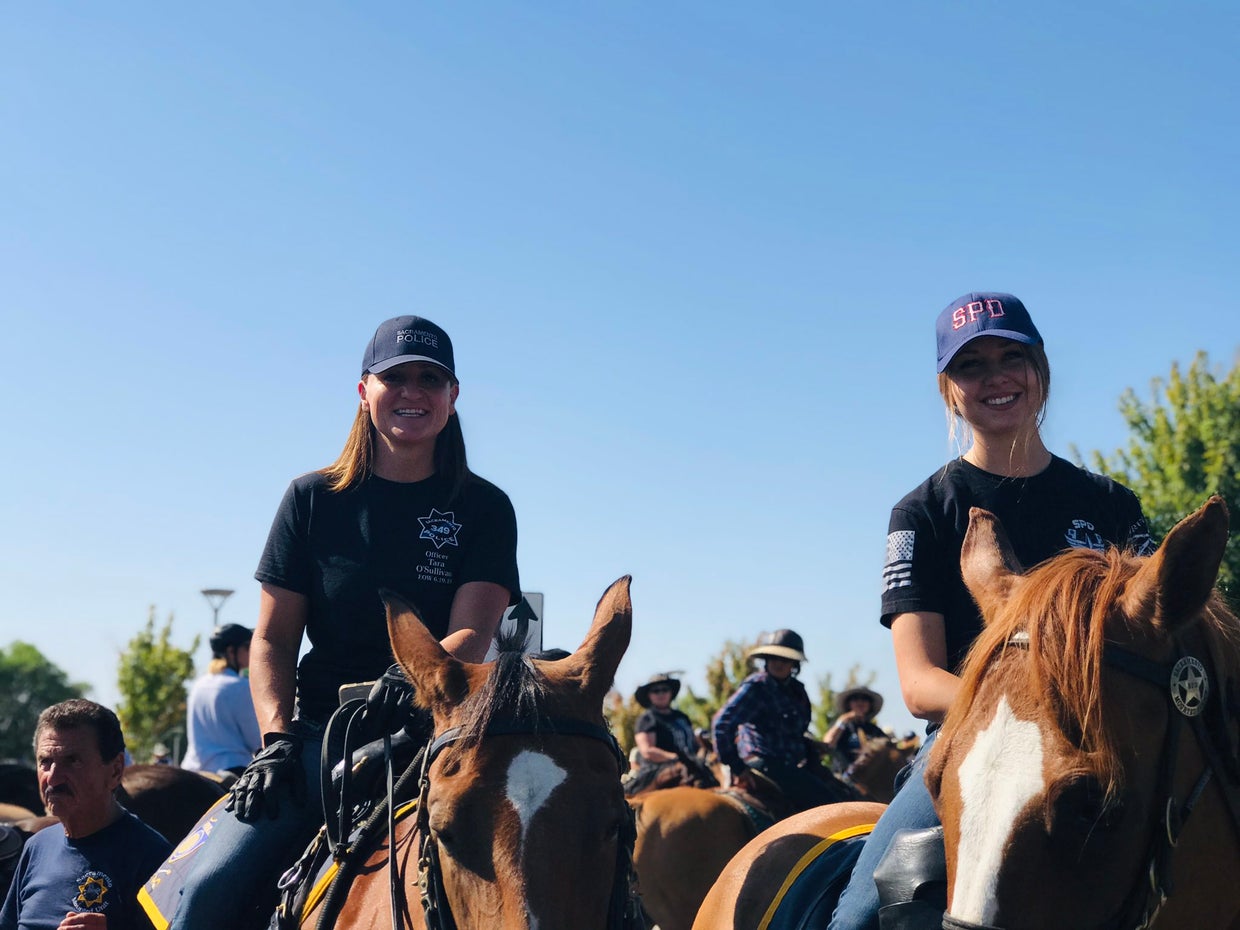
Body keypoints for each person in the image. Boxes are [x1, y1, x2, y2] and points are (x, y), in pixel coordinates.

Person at [166, 315, 521, 930]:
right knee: (202, 897)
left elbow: (472, 634)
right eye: (395, 377)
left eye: (430, 379)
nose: (413, 391)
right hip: (320, 740)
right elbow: (274, 641)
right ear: (364, 391)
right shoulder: (310, 499)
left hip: (437, 732)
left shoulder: (485, 507)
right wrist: (276, 742)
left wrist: (411, 681)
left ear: (453, 397)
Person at [827, 292, 1156, 930]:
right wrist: (1040, 709)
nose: (996, 376)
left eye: (1012, 356)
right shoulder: (923, 511)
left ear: (1042, 371)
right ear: (950, 391)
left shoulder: (1112, 504)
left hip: (1112, 741)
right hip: (973, 746)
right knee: (859, 919)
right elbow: (920, 685)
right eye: (972, 366)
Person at [1, 699, 172, 930]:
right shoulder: (36, 847)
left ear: (115, 770)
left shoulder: (152, 857)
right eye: (45, 762)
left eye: (72, 761)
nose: (52, 777)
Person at [712, 630, 851, 813]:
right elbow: (721, 724)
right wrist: (738, 767)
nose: (778, 663)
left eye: (785, 659)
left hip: (789, 765)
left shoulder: (797, 691)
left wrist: (811, 745)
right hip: (763, 763)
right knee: (828, 805)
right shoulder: (757, 686)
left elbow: (791, 732)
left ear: (795, 664)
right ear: (766, 659)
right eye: (773, 658)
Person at [179, 624, 261, 777]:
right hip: (232, 768)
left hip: (192, 769)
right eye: (247, 647)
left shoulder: (198, 685)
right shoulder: (241, 686)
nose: (251, 652)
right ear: (231, 651)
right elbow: (256, 740)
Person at [624, 674, 700, 793]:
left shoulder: (682, 717)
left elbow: (695, 743)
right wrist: (676, 758)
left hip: (693, 765)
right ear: (649, 695)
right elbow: (647, 751)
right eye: (656, 691)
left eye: (665, 690)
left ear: (671, 693)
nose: (661, 694)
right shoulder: (647, 719)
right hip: (659, 770)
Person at [822, 686, 887, 772]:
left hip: (868, 778)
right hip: (842, 777)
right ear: (848, 704)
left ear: (870, 704)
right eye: (855, 699)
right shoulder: (841, 726)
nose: (860, 702)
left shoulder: (875, 730)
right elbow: (827, 744)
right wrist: (843, 720)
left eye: (864, 699)